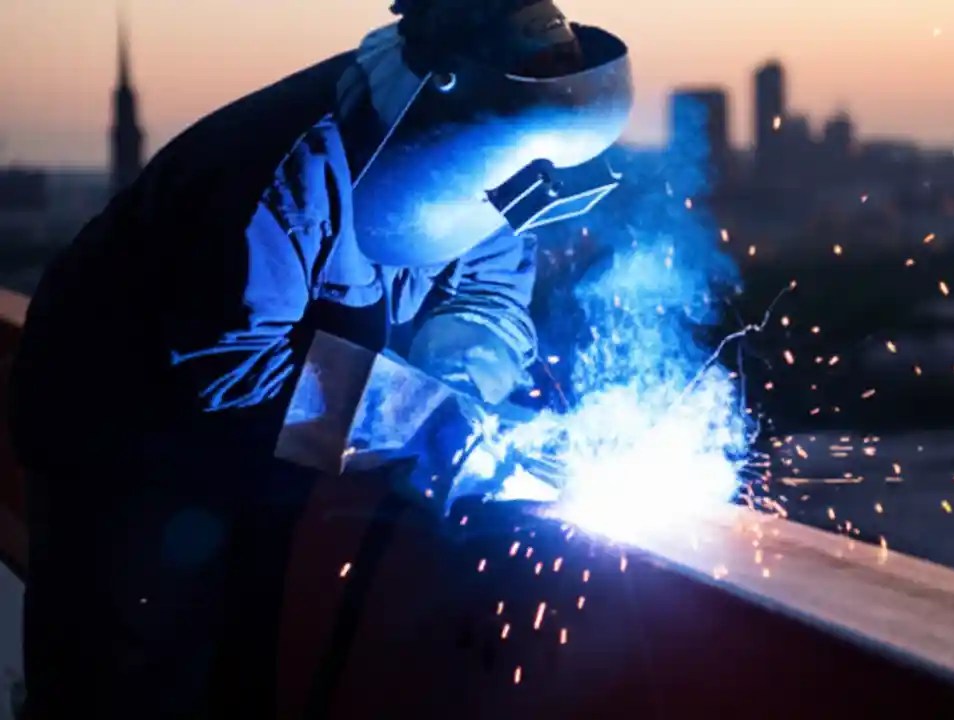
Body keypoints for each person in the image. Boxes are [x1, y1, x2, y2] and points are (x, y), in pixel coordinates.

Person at [8, 1, 632, 716]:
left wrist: (463, 371)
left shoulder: (497, 148)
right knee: (132, 681)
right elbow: (234, 373)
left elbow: (490, 288)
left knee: (249, 670)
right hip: (126, 439)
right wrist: (424, 420)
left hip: (278, 449)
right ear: (449, 88)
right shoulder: (281, 172)